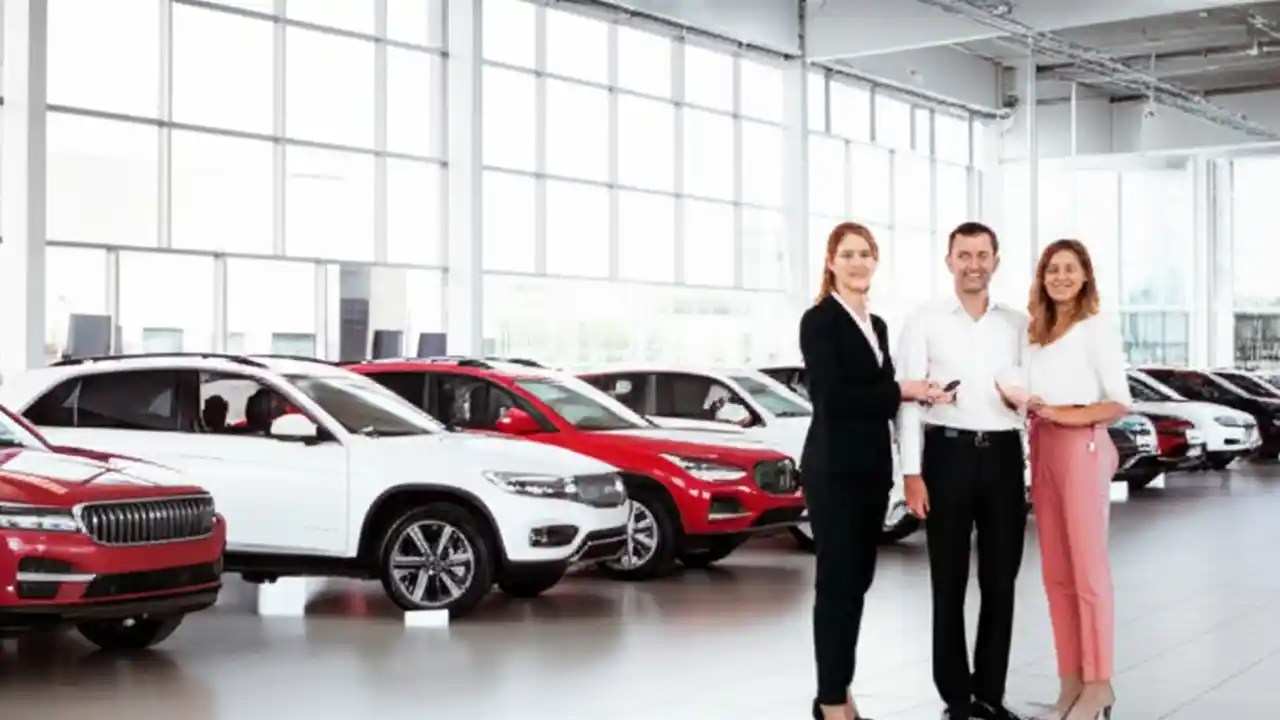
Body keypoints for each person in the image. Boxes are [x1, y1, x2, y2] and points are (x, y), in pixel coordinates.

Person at [799, 222, 942, 720]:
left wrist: (924, 395)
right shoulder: (820, 321)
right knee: (836, 584)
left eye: (865, 253)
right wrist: (902, 390)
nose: (857, 262)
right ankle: (830, 701)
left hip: (870, 471)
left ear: (876, 261)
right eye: (847, 254)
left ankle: (839, 688)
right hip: (834, 471)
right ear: (831, 263)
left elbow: (880, 400)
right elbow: (831, 398)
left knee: (857, 582)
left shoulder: (875, 325)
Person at [894, 221, 1029, 720]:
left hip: (1003, 458)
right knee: (947, 581)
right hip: (946, 455)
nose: (974, 264)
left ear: (996, 261)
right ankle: (955, 697)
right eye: (964, 255)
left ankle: (990, 695)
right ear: (949, 260)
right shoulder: (924, 320)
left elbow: (1032, 392)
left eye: (982, 255)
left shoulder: (1018, 324)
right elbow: (908, 400)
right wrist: (911, 473)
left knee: (1001, 581)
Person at [996, 239, 1128, 720]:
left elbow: (1118, 401)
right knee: (1056, 575)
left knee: (1088, 573)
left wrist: (1064, 415)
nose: (1061, 276)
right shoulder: (1036, 332)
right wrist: (1019, 397)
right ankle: (1070, 683)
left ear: (1085, 275)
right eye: (1053, 269)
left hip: (1081, 445)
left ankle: (1099, 685)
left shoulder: (1095, 328)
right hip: (1043, 444)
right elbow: (1018, 382)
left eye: (1070, 268)